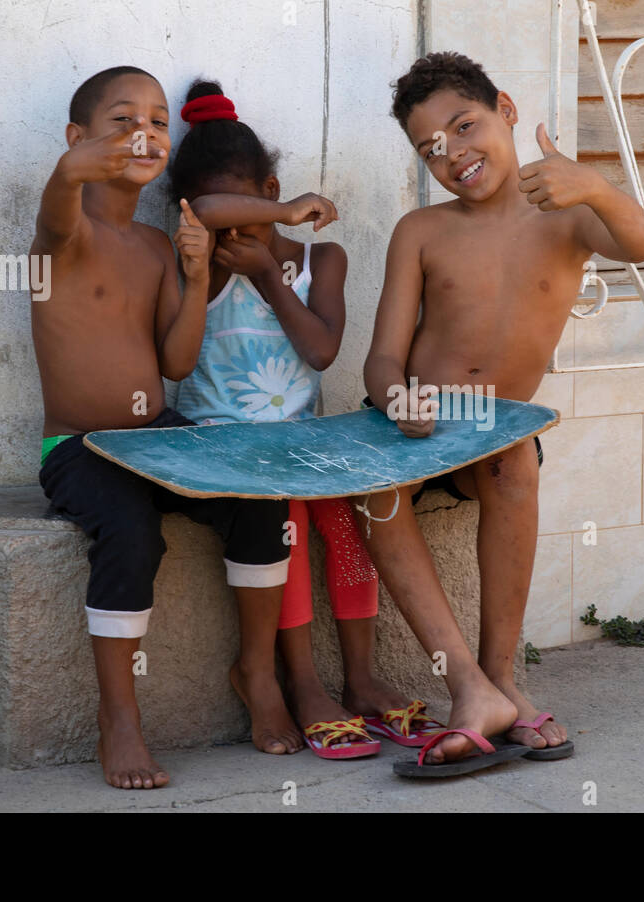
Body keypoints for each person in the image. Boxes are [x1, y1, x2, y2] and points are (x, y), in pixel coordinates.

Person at [360, 52, 644, 771]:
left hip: (497, 434)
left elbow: (642, 244)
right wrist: (396, 398)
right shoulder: (421, 232)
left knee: (517, 459)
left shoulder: (567, 218)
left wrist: (594, 185)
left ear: (507, 108)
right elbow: (381, 359)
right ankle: (468, 687)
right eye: (431, 148)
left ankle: (504, 680)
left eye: (465, 126)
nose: (454, 154)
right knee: (375, 494)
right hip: (416, 425)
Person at [30, 67, 296, 788]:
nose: (144, 131)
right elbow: (58, 211)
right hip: (80, 447)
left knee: (259, 493)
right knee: (131, 533)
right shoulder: (65, 235)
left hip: (158, 433)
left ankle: (257, 672)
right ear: (77, 139)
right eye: (123, 120)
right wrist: (68, 172)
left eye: (155, 119)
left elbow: (176, 360)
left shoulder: (152, 246)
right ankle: (119, 719)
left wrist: (197, 275)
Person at [169, 81, 447, 759]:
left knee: (345, 510)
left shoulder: (320, 259)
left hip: (305, 437)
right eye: (223, 222)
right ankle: (302, 683)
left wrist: (268, 272)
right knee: (285, 510)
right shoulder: (191, 266)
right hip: (224, 444)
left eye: (253, 211)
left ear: (270, 188)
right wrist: (265, 223)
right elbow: (203, 208)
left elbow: (321, 349)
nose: (235, 234)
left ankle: (359, 677)